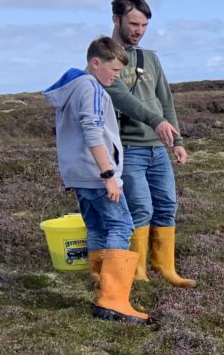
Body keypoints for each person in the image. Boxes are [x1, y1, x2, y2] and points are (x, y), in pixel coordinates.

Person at [43, 37, 153, 325]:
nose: (115, 77)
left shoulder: (71, 88)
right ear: (95, 63)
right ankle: (113, 300)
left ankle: (102, 290)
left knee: (97, 226)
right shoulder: (90, 87)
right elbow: (92, 130)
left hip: (78, 173)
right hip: (96, 174)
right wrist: (108, 175)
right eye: (114, 70)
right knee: (121, 225)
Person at [104, 0, 196, 288]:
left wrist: (177, 140)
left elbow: (164, 99)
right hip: (129, 148)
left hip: (158, 148)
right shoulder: (103, 57)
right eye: (133, 24)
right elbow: (119, 97)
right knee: (140, 207)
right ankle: (138, 270)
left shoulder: (150, 58)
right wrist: (155, 121)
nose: (139, 32)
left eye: (144, 26)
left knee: (167, 205)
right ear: (116, 19)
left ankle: (165, 268)